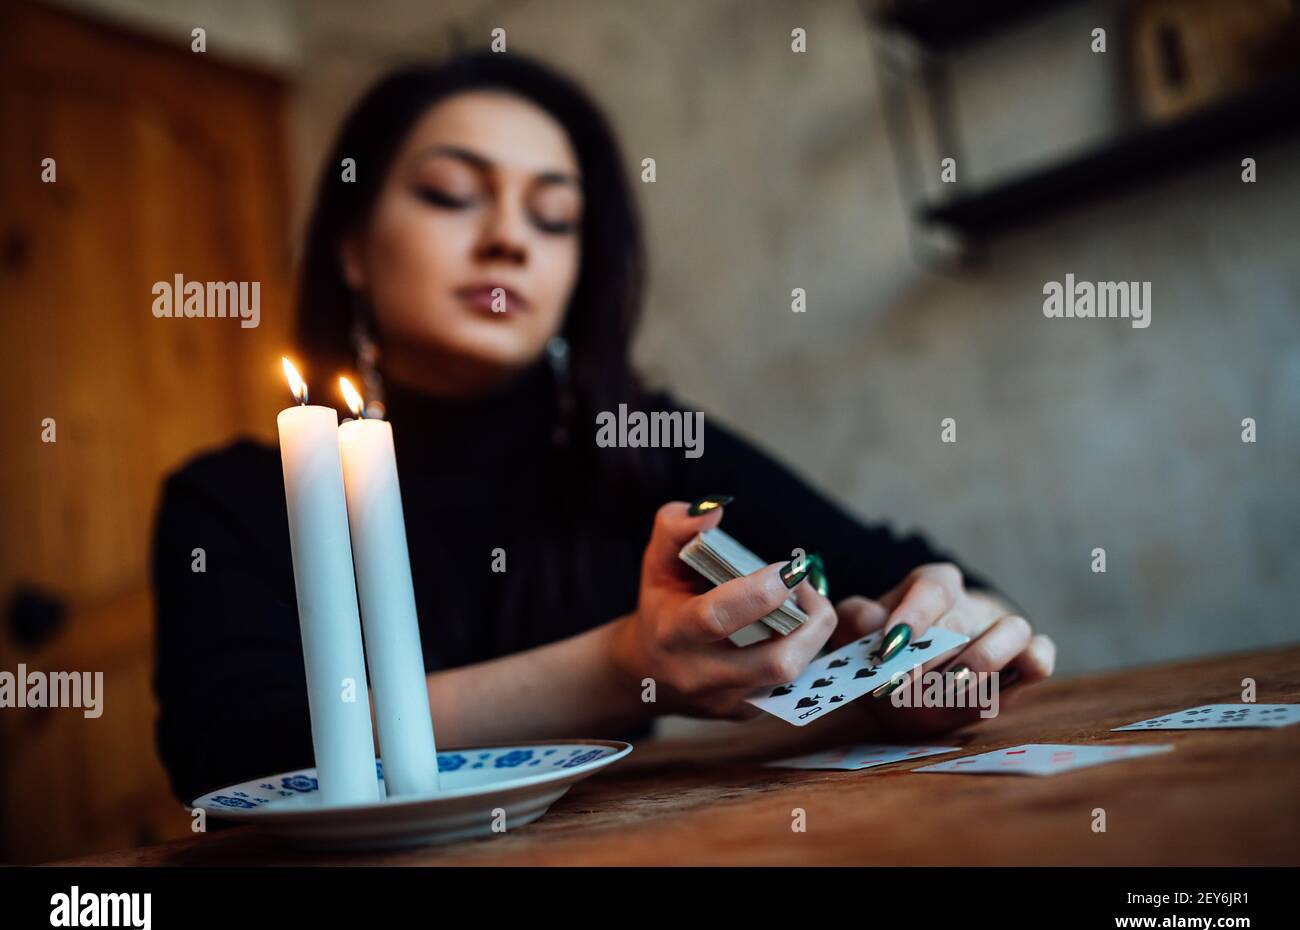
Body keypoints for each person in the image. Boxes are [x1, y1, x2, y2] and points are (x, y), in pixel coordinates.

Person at [152, 52, 1054, 803]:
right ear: (351, 246)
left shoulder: (640, 444)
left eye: (555, 216)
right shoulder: (228, 501)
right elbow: (238, 754)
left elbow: (921, 581)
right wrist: (624, 667)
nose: (511, 239)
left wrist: (951, 641)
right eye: (451, 195)